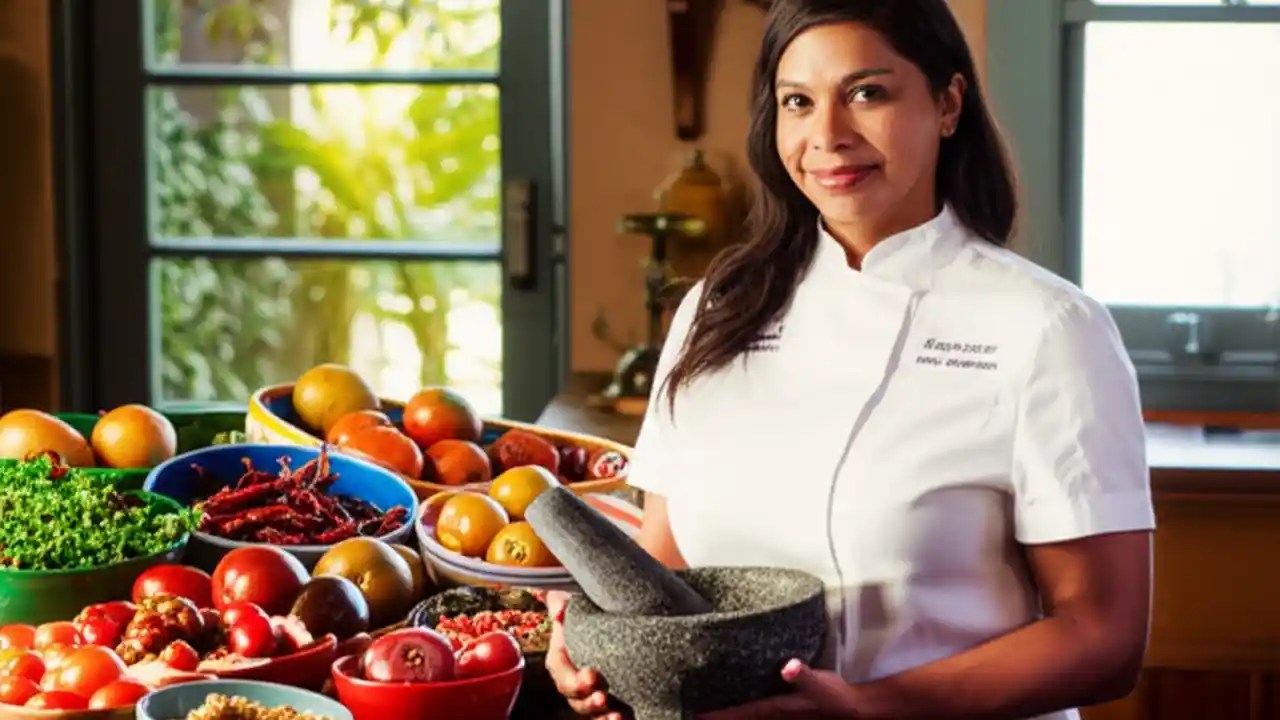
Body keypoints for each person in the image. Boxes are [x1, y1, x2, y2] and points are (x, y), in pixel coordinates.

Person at [546, 0, 1155, 717]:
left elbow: (1105, 636)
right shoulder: (717, 308)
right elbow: (672, 567)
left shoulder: (1048, 328)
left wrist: (874, 708)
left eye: (867, 93)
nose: (827, 135)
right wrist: (604, 656)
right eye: (797, 102)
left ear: (948, 103)